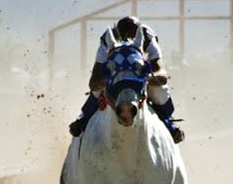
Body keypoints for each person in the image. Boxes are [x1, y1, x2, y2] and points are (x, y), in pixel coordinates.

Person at [69, 15, 184, 143]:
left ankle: (169, 123)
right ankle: (84, 120)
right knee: (97, 91)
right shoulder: (107, 40)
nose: (128, 36)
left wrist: (142, 78)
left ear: (138, 31)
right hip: (115, 77)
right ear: (117, 33)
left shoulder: (147, 37)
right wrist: (110, 80)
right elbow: (94, 81)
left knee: (159, 90)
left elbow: (162, 74)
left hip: (140, 74)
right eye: (124, 32)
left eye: (132, 32)